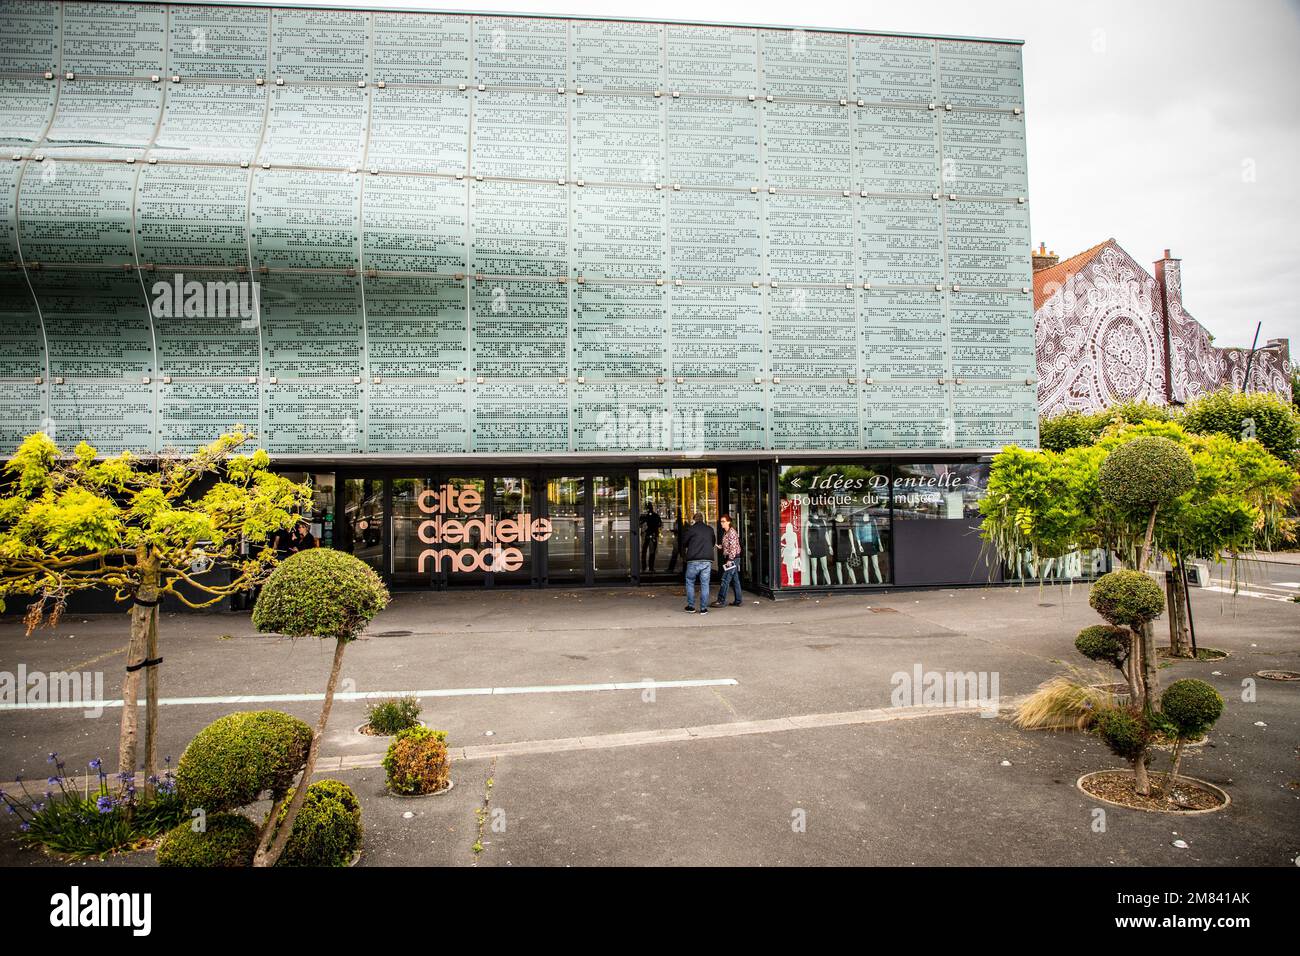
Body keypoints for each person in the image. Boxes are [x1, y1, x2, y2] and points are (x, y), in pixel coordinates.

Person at [679, 512, 715, 614]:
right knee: (705, 584)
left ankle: (691, 606)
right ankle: (703, 608)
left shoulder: (691, 529)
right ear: (703, 519)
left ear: (694, 520)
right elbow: (713, 542)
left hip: (693, 560)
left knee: (690, 582)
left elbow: (684, 542)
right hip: (707, 560)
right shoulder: (709, 529)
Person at [712, 513, 742, 607]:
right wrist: (721, 547)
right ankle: (738, 600)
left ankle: (721, 601)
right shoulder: (726, 532)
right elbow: (729, 546)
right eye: (721, 521)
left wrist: (730, 559)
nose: (722, 523)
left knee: (725, 579)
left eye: (723, 521)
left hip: (733, 559)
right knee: (735, 580)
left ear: (729, 522)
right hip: (733, 558)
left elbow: (733, 547)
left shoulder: (732, 532)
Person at [639, 502, 662, 572]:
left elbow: (639, 524)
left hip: (647, 535)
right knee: (651, 552)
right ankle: (651, 567)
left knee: (644, 551)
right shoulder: (655, 516)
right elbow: (660, 524)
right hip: (653, 535)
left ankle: (644, 567)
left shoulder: (644, 516)